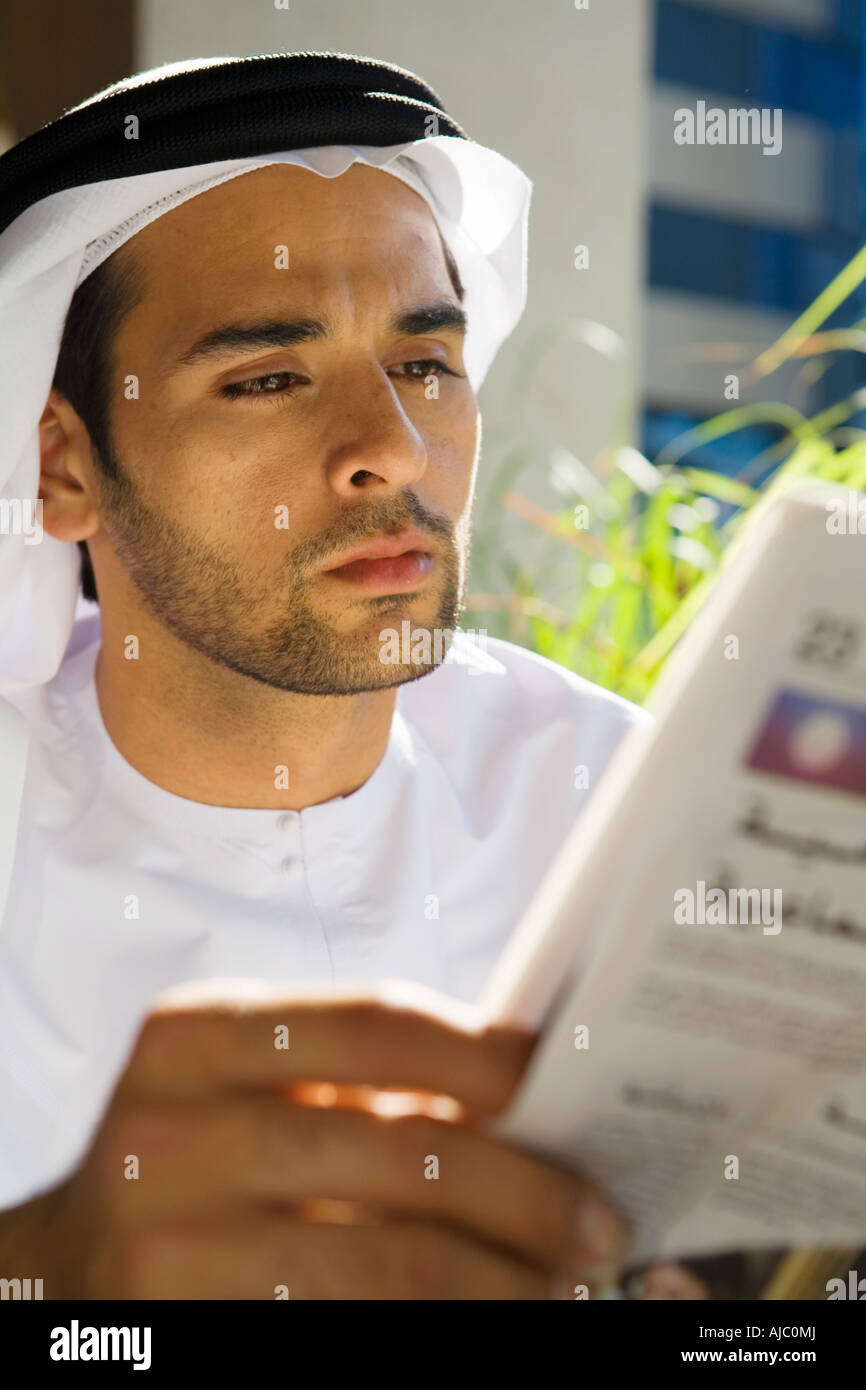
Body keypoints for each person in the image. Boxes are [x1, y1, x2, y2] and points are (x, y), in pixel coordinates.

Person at [0, 52, 650, 1298]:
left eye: (422, 364)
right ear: (64, 467)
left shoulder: (616, 806)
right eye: (267, 379)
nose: (389, 452)